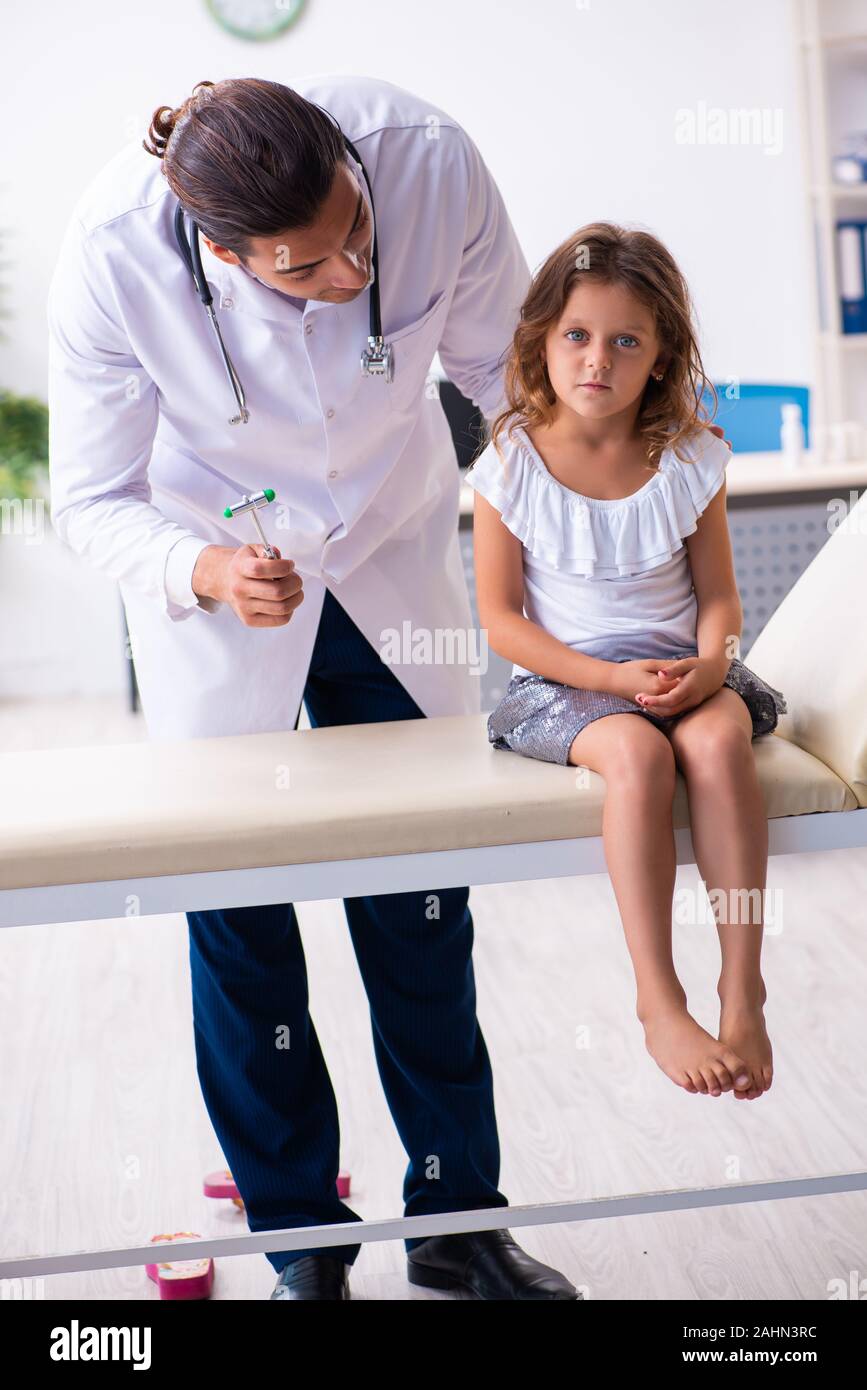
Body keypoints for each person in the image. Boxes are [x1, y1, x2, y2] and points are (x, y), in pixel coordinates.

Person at [46, 73, 582, 1300]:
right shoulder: (113, 252)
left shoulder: (430, 161)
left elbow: (514, 387)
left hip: (391, 546)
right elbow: (89, 497)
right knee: (238, 925)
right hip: (221, 572)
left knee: (423, 907)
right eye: (303, 268)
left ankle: (458, 1220)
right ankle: (299, 1245)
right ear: (221, 252)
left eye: (357, 237)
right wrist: (200, 568)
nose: (347, 274)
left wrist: (576, 584)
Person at [467, 221, 787, 1108]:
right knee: (639, 757)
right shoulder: (512, 464)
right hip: (572, 685)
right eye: (575, 335)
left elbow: (719, 597)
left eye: (624, 341)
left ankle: (741, 985)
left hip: (686, 673)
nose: (595, 360)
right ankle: (658, 995)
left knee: (718, 748)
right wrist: (608, 682)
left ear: (660, 355)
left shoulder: (688, 457)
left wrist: (712, 665)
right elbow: (501, 621)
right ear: (541, 339)